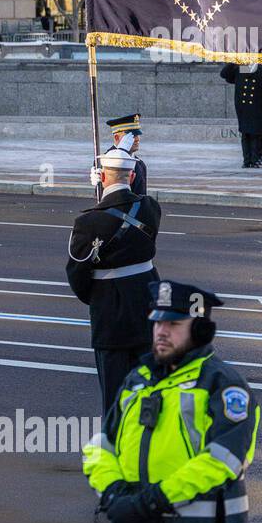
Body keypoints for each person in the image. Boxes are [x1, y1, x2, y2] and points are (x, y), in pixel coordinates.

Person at [82, 280, 261, 523]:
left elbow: (224, 459)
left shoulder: (222, 384)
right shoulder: (138, 381)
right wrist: (114, 494)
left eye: (174, 324)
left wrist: (154, 501)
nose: (161, 331)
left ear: (201, 330)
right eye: (157, 322)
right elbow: (101, 446)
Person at [68, 147, 162, 413]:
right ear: (132, 177)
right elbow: (137, 196)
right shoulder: (150, 208)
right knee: (148, 392)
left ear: (101, 177)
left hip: (110, 314)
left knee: (114, 398)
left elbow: (77, 275)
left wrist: (99, 297)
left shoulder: (88, 221)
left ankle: (118, 447)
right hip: (147, 305)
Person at [219, 61, 262, 168]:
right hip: (243, 108)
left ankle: (255, 159)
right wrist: (234, 61)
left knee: (255, 134)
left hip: (257, 107)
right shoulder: (241, 68)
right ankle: (247, 160)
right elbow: (224, 74)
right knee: (245, 135)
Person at [105, 114, 148, 195]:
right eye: (131, 136)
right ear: (116, 138)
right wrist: (121, 152)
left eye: (137, 135)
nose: (137, 139)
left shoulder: (140, 164)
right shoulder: (105, 160)